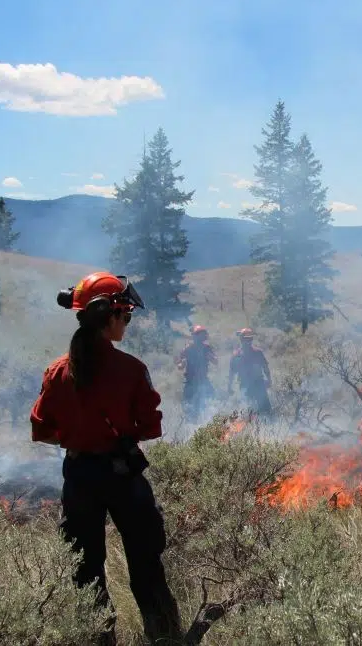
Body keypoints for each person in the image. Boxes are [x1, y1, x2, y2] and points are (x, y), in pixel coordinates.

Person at [29, 272, 183, 646]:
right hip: (123, 476)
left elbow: (42, 429)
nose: (127, 323)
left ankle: (97, 640)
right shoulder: (131, 370)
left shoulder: (57, 371)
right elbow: (151, 426)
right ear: (110, 316)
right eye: (126, 316)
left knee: (85, 572)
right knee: (146, 565)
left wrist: (79, 438)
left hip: (79, 474)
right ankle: (165, 639)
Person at [228, 327, 273, 418]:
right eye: (246, 339)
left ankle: (269, 426)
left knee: (266, 409)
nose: (248, 341)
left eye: (250, 339)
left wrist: (269, 379)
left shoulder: (258, 353)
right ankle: (252, 428)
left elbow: (265, 367)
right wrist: (229, 387)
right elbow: (232, 373)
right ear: (241, 339)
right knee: (249, 410)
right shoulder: (236, 355)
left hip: (259, 384)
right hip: (245, 385)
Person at [176, 325, 218, 418]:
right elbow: (179, 365)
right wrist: (182, 363)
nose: (200, 339)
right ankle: (190, 423)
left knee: (212, 401)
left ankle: (207, 420)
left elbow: (216, 361)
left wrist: (211, 357)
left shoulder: (207, 348)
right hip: (191, 382)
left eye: (202, 336)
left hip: (204, 381)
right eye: (197, 336)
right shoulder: (187, 349)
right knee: (189, 405)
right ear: (194, 336)